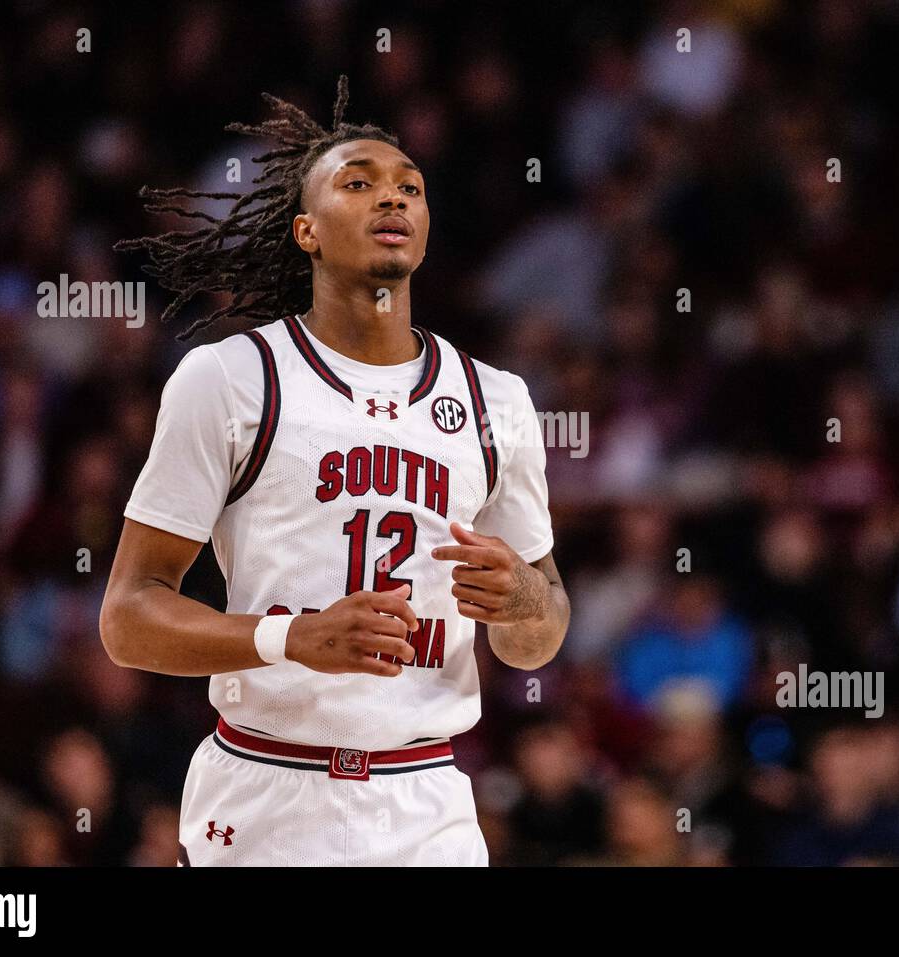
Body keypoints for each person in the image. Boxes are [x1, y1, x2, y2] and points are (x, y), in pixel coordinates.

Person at [99, 78, 569, 866]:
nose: (393, 198)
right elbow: (127, 617)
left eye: (410, 188)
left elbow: (538, 635)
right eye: (360, 183)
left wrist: (522, 595)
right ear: (306, 230)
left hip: (428, 800)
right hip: (265, 790)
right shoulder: (230, 380)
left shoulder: (499, 400)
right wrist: (295, 637)